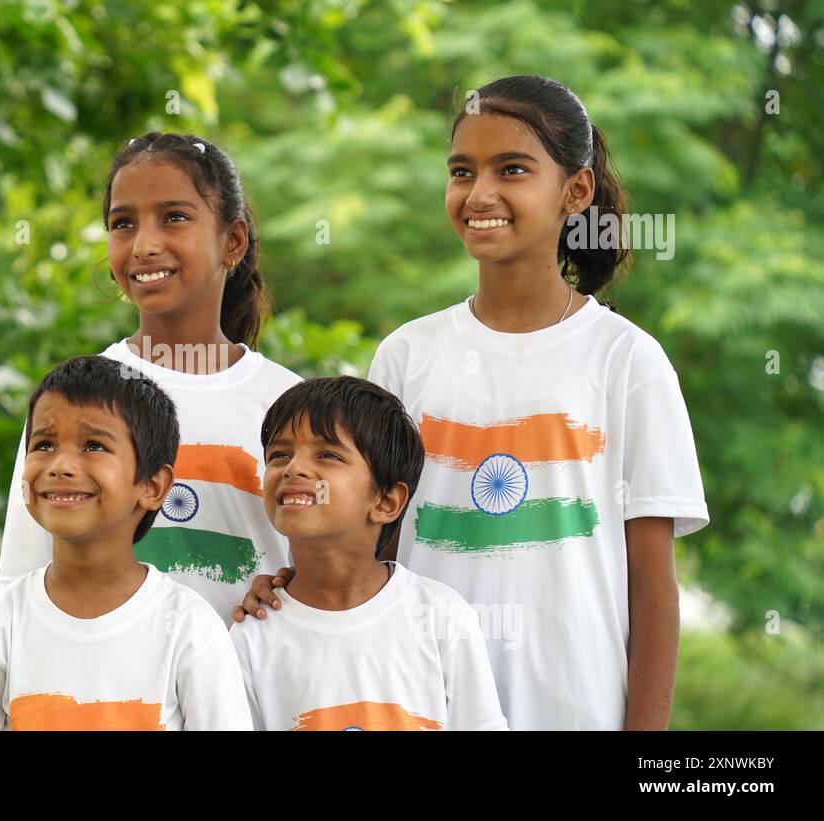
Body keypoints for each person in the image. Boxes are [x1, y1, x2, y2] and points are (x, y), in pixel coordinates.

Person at [236, 76, 709, 730]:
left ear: (576, 192)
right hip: (419, 706)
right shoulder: (407, 354)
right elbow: (366, 537)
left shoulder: (627, 361)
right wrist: (289, 588)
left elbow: (653, 588)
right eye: (463, 171)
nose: (480, 193)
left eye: (512, 169)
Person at [0, 133, 302, 623]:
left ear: (233, 241)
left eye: (174, 217)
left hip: (255, 694)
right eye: (123, 223)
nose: (144, 245)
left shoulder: (291, 404)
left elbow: (326, 574)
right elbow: (20, 581)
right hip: (115, 694)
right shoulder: (76, 402)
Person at [0, 356, 251, 730]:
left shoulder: (189, 628)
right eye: (44, 445)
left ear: (152, 487)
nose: (61, 465)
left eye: (94, 446)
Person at [229, 377, 507, 730]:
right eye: (279, 454)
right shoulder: (251, 638)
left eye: (327, 455)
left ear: (386, 501)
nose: (293, 468)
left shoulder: (441, 618)